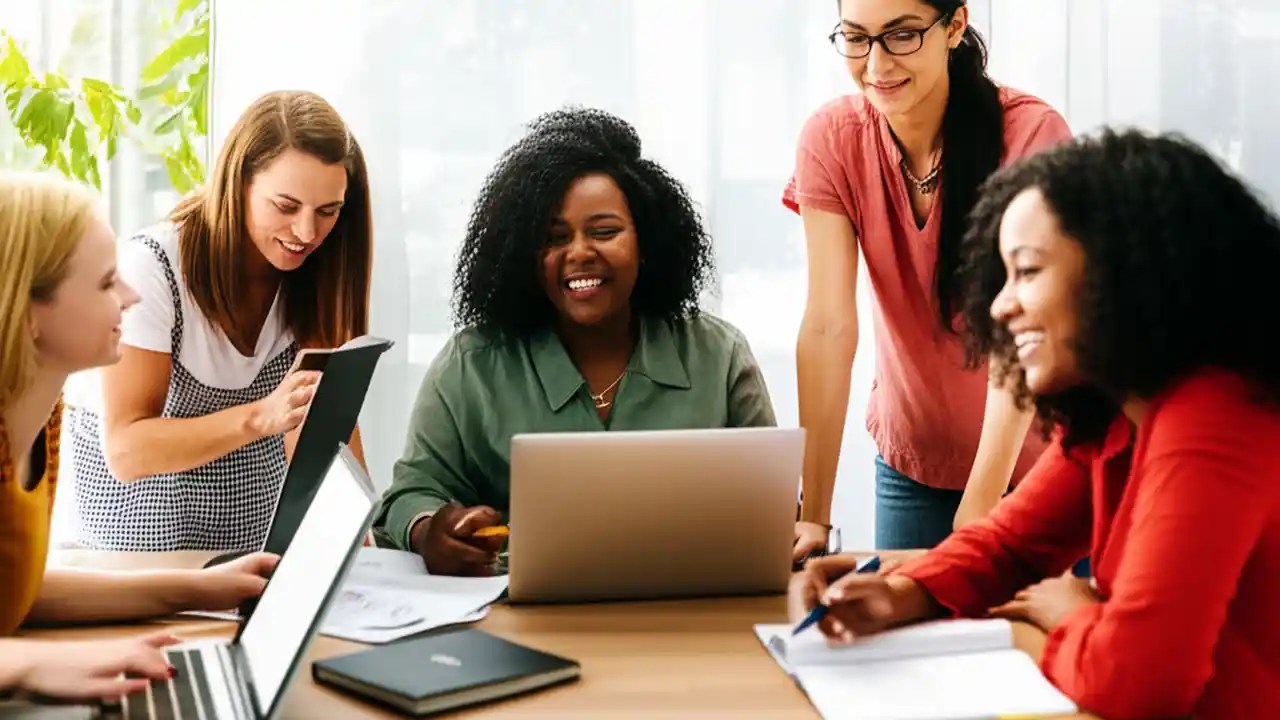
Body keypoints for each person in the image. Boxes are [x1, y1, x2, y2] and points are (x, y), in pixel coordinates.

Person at [792, 130, 1280, 719]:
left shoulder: (1215, 416)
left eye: (1026, 272)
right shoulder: (1115, 411)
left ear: (1121, 274)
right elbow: (1009, 546)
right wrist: (901, 593)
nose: (1000, 306)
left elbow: (1138, 681)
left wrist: (1075, 612)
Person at [373, 107, 777, 575]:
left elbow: (773, 498)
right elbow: (410, 493)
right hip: (518, 624)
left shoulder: (719, 355)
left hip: (691, 614)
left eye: (604, 232)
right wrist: (430, 529)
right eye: (554, 238)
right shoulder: (469, 366)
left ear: (646, 243)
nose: (580, 253)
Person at [787, 0, 1072, 558]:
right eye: (856, 38)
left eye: (902, 36)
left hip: (1046, 467)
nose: (876, 64)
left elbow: (1025, 329)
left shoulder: (1031, 133)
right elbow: (827, 327)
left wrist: (981, 504)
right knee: (908, 639)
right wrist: (813, 516)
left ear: (955, 26)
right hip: (914, 463)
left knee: (1042, 643)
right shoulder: (833, 138)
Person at [0, 171, 277, 702]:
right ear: (31, 311)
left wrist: (203, 588)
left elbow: (15, 591)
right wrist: (29, 666)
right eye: (106, 282)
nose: (129, 297)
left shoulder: (45, 420)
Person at [66, 90, 373, 551]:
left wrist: (368, 558)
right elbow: (127, 451)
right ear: (238, 184)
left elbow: (322, 436)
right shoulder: (152, 271)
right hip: (130, 556)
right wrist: (259, 416)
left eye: (327, 212)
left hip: (244, 555)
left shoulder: (315, 271)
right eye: (285, 206)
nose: (307, 232)